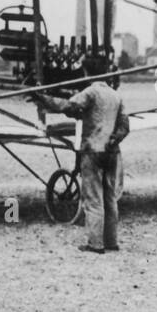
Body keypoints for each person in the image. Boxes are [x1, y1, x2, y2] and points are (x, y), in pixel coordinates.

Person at [33, 55, 129, 254]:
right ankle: (111, 241)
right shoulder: (115, 95)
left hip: (92, 151)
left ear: (87, 72)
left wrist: (43, 98)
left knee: (93, 199)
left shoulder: (90, 92)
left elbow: (69, 106)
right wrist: (113, 140)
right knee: (110, 198)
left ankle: (95, 244)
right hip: (112, 152)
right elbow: (124, 127)